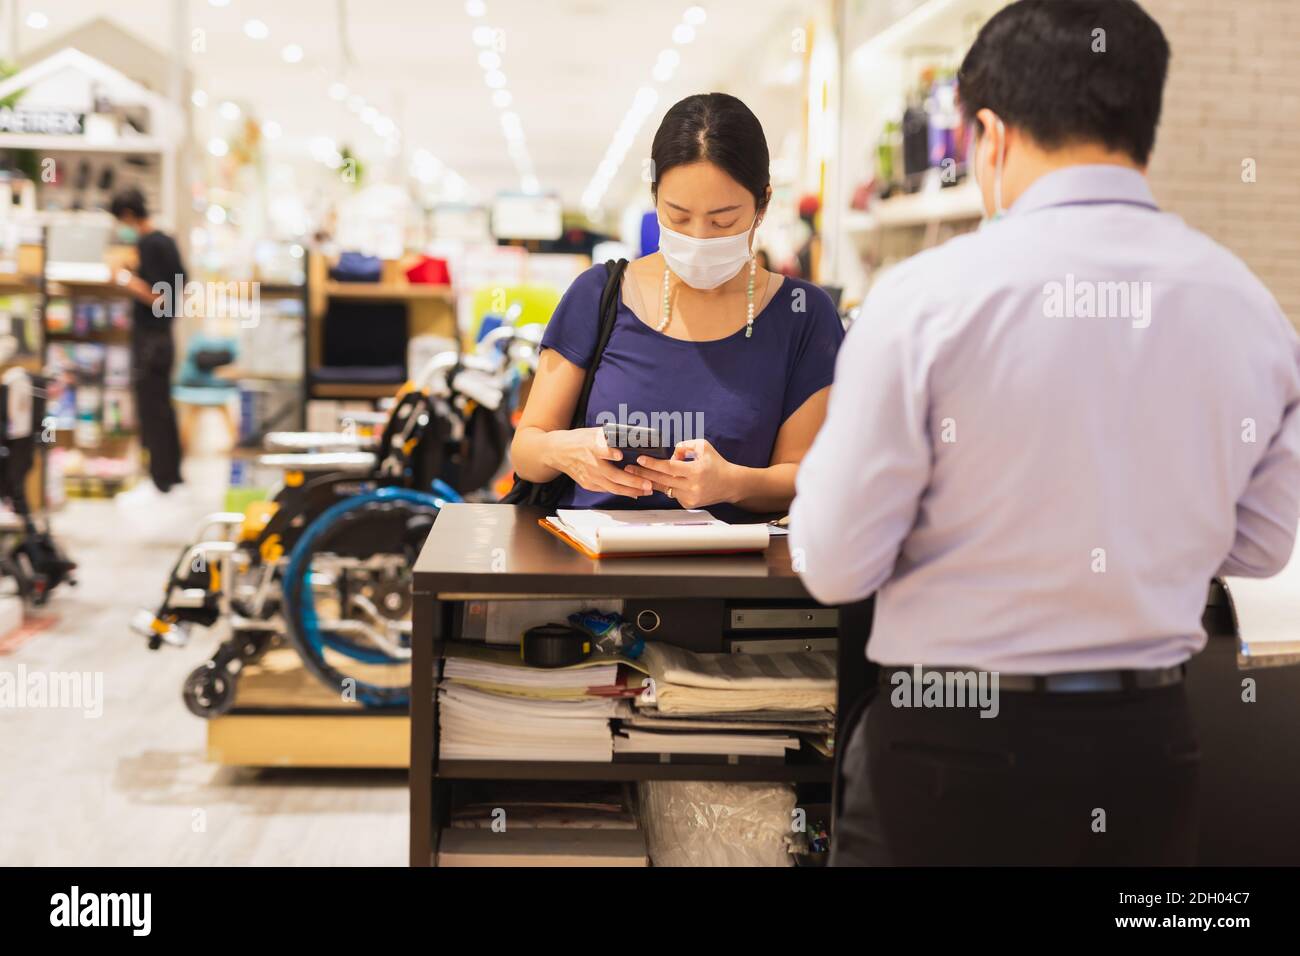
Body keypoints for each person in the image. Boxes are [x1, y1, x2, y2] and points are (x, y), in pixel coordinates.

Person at [791, 0, 1300, 866]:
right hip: (1149, 750)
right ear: (1144, 120)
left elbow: (835, 564)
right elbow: (1261, 547)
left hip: (948, 750)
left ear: (988, 133)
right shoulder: (1248, 306)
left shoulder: (924, 300)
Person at [512, 93, 843, 519]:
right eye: (678, 216)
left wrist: (732, 483)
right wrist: (565, 451)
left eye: (723, 220)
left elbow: (806, 477)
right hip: (594, 569)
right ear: (655, 198)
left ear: (762, 204)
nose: (700, 238)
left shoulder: (803, 314)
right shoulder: (598, 295)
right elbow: (526, 449)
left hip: (731, 578)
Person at [109, 188, 186, 504]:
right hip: (163, 338)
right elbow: (176, 287)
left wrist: (125, 279)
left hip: (150, 340)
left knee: (151, 409)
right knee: (162, 408)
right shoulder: (166, 241)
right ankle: (169, 476)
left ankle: (158, 481)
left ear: (127, 215)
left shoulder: (150, 244)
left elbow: (159, 296)